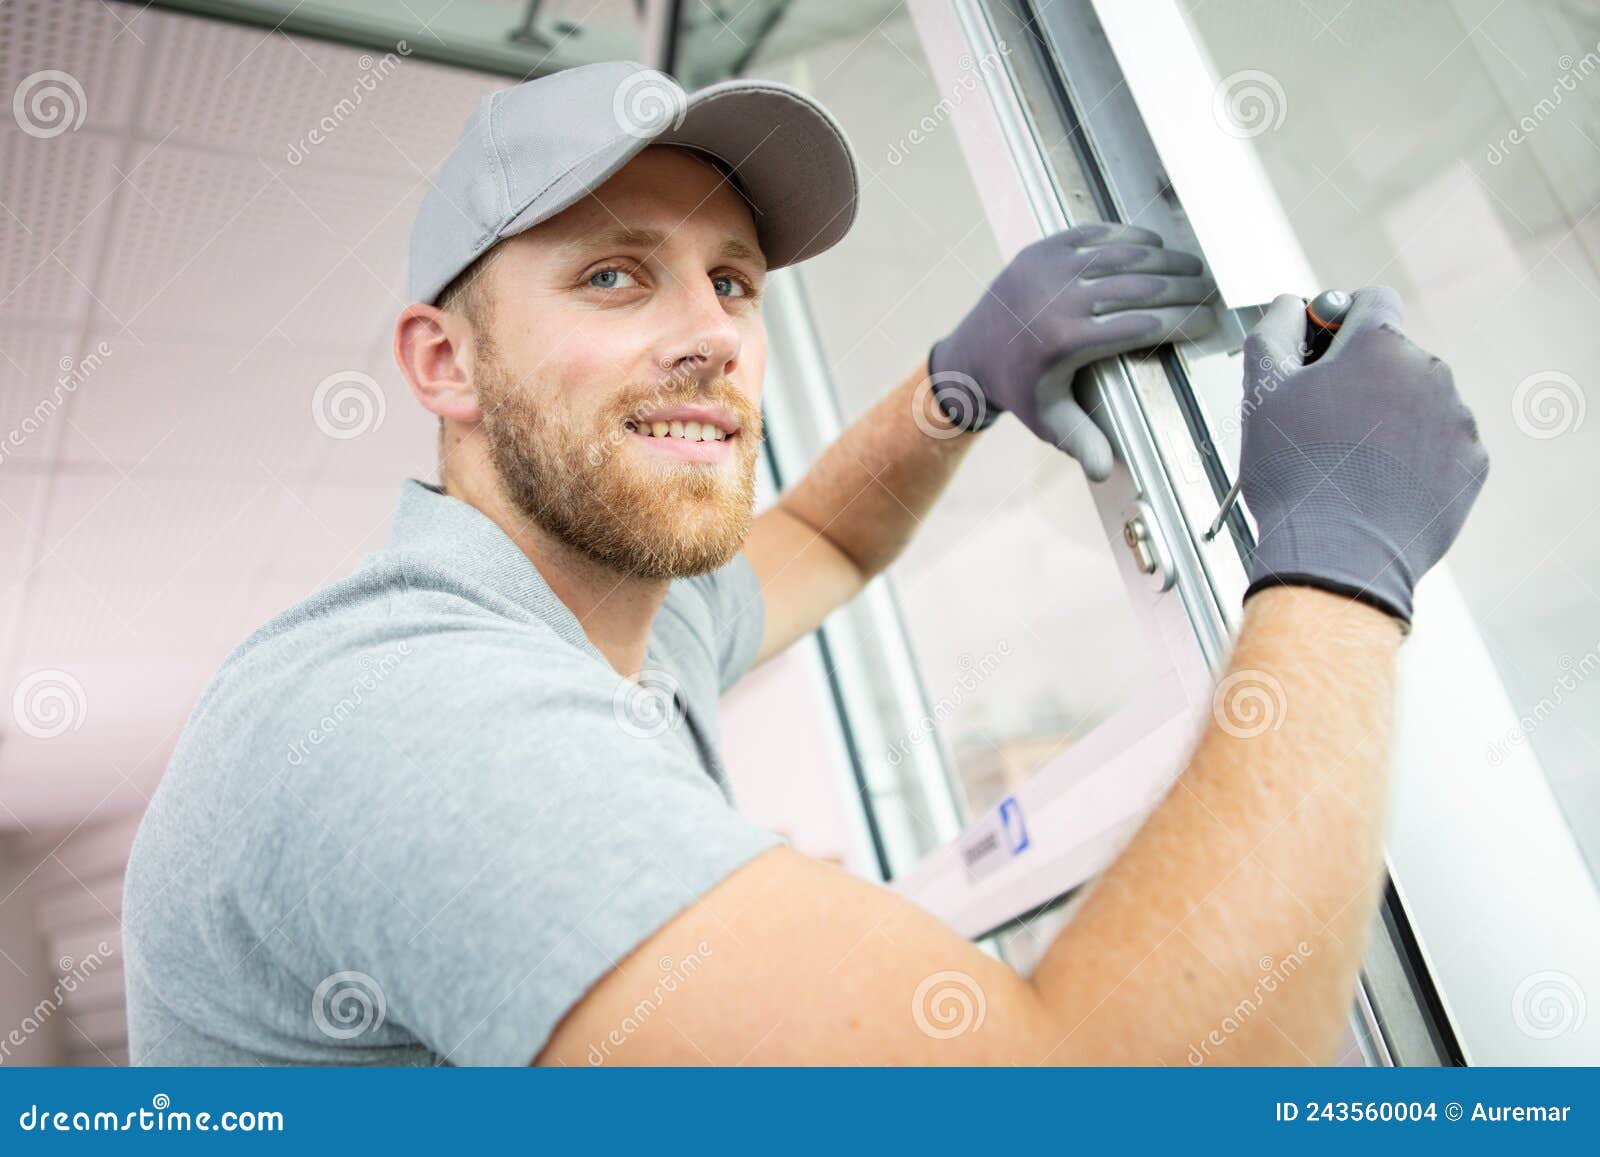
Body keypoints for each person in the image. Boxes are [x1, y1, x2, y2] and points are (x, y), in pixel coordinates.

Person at [122, 59, 1488, 1066]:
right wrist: (1336, 573)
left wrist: (958, 382)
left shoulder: (617, 614)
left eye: (734, 281)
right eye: (614, 275)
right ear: (445, 362)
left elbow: (822, 536)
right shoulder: (408, 718)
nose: (713, 331)